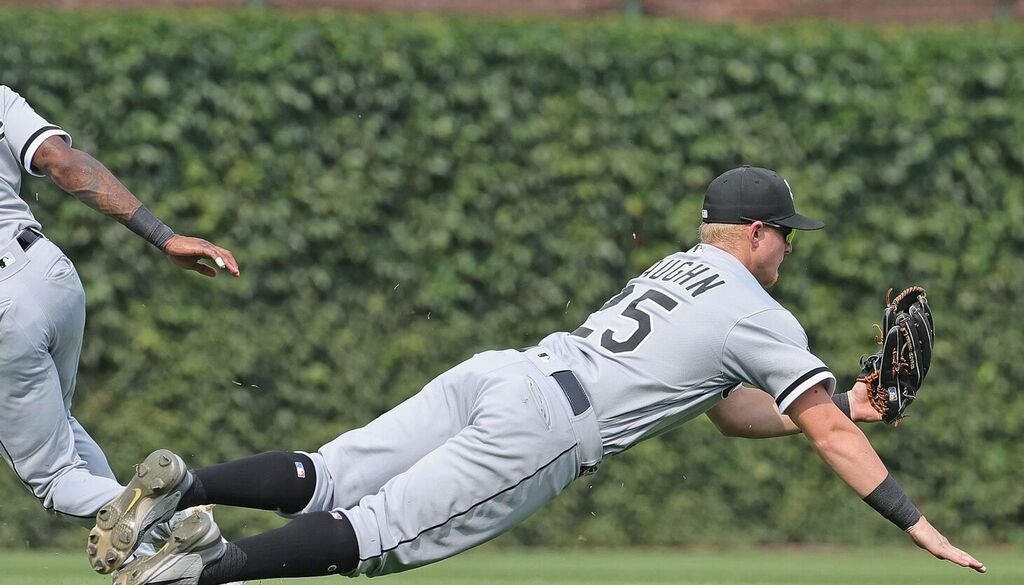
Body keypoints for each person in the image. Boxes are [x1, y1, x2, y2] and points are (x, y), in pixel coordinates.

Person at [91, 166, 985, 585]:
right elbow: (822, 426)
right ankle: (194, 574)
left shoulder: (676, 270)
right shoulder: (755, 307)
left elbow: (727, 410)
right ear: (755, 235)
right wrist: (917, 524)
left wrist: (847, 404)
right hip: (547, 428)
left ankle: (185, 488)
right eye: (787, 233)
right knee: (373, 535)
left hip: (506, 372)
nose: (790, 247)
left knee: (332, 472)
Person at [0, 85, 240, 563]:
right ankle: (154, 553)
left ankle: (168, 510)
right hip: (50, 273)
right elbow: (63, 164)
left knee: (53, 478)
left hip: (5, 312)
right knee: (61, 426)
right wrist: (164, 237)